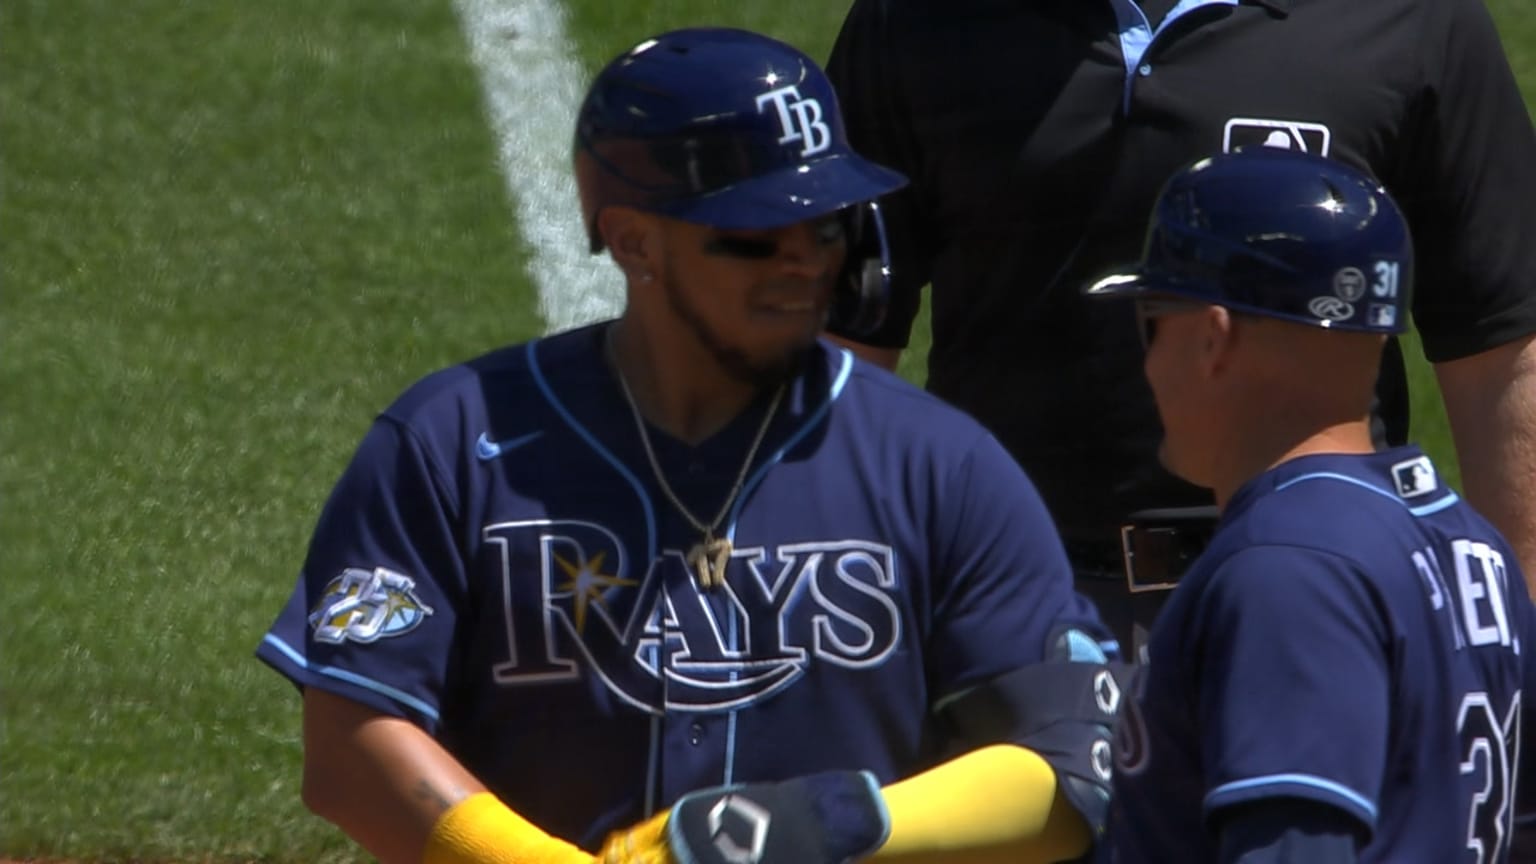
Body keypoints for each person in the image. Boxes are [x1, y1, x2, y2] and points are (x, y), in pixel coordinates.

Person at [256, 27, 1124, 864]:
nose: (805, 264)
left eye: (828, 229)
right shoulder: (454, 440)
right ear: (634, 240)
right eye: (753, 239)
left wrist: (830, 824)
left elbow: (1070, 771)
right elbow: (351, 746)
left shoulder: (939, 465)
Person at [824, 0, 1536, 657]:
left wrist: (1522, 661)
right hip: (998, 600)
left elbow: (1504, 355)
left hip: (1308, 589)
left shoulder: (1409, 16)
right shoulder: (915, 20)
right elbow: (836, 362)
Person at [1087, 147, 1536, 862]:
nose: (1144, 362)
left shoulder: (1285, 570)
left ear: (1212, 336)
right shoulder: (1470, 544)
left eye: (1150, 321)